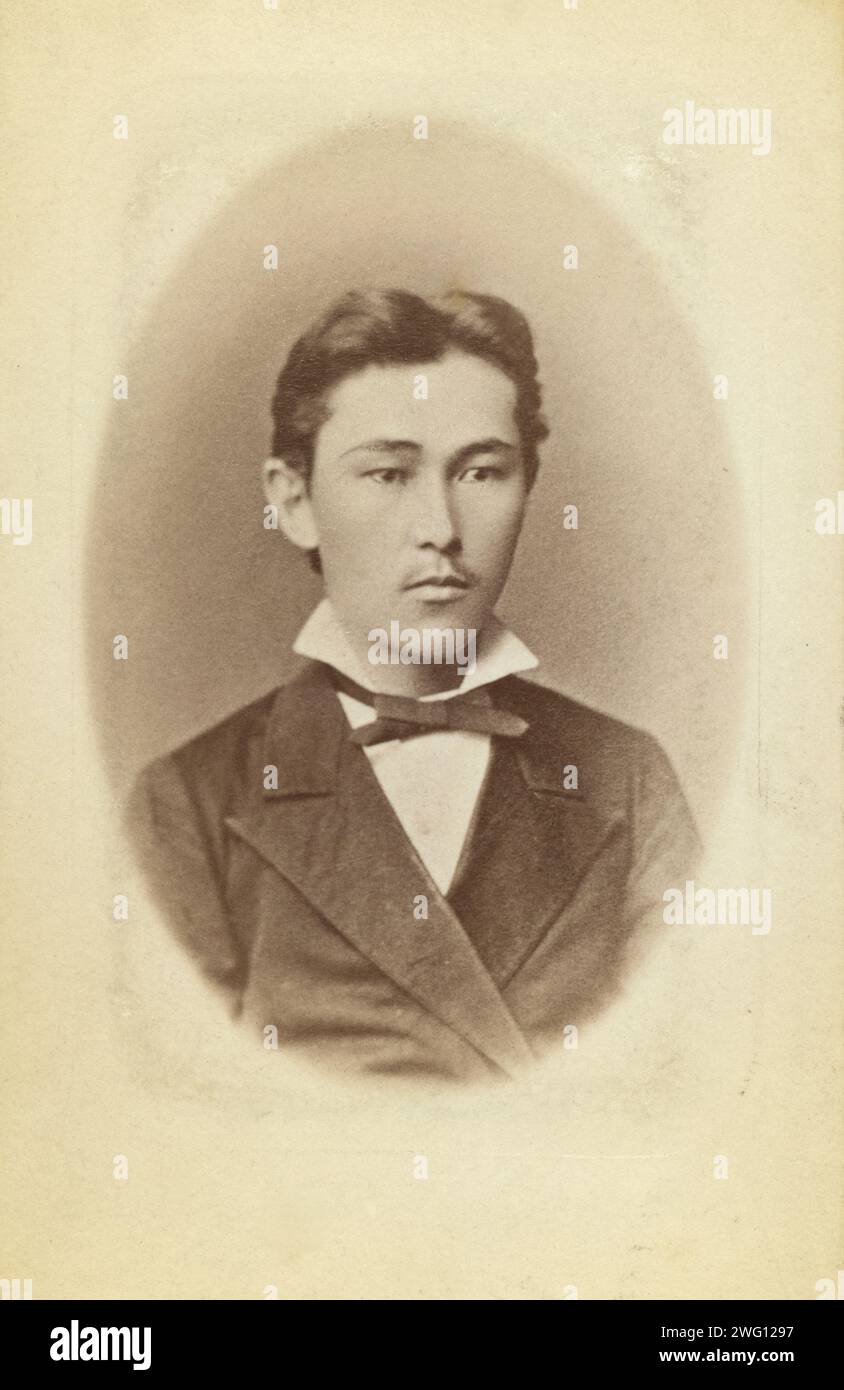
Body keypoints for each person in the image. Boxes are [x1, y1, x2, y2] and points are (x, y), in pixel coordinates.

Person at [125, 287, 701, 1087]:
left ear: (528, 486)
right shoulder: (187, 807)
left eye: (481, 470)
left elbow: (684, 1080)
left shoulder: (626, 780)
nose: (441, 525)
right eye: (389, 473)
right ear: (294, 503)